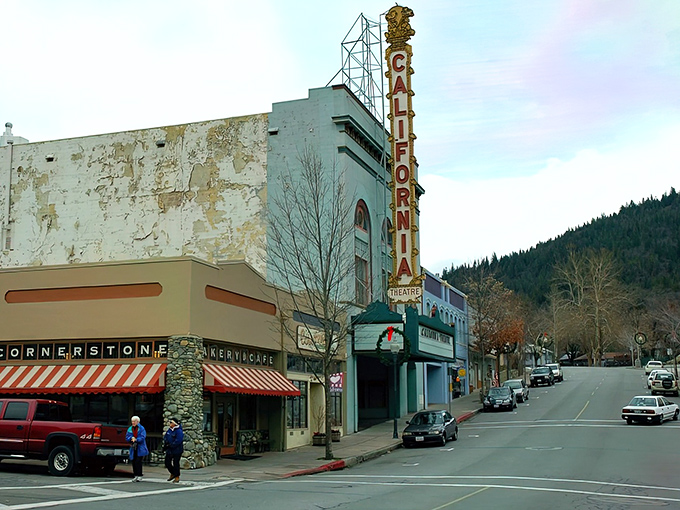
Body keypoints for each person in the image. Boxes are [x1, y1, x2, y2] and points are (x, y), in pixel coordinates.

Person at [126, 415, 149, 482]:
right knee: (133, 461)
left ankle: (139, 475)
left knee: (138, 461)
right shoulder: (130, 429)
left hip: (140, 447)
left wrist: (136, 439)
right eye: (132, 421)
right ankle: (135, 475)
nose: (133, 423)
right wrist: (131, 438)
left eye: (134, 421)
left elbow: (142, 437)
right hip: (133, 447)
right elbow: (127, 437)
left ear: (137, 421)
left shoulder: (141, 428)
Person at [163, 417, 184, 483]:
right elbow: (166, 437)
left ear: (174, 423)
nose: (170, 424)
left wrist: (172, 445)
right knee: (167, 462)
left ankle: (177, 476)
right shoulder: (169, 430)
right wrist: (166, 444)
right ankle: (173, 473)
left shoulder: (179, 431)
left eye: (171, 422)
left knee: (176, 463)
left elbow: (179, 440)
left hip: (177, 450)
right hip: (169, 449)